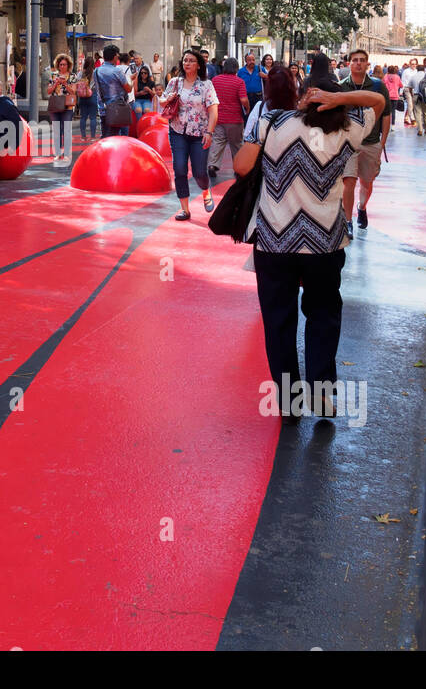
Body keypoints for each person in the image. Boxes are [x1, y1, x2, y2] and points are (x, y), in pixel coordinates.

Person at [231, 74, 387, 419]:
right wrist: (342, 99)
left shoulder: (272, 120)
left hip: (275, 242)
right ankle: (320, 392)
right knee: (324, 315)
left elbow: (241, 166)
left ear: (304, 96)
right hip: (325, 243)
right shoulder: (350, 126)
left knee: (278, 320)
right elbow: (378, 101)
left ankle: (289, 402)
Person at [158, 48, 218, 220]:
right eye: (185, 60)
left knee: (199, 172)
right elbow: (162, 101)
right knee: (180, 169)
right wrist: (167, 99)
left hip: (200, 133)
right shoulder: (175, 82)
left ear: (198, 65)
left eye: (191, 61)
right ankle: (185, 208)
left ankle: (206, 191)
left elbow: (213, 110)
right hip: (177, 131)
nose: (187, 63)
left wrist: (210, 132)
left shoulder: (206, 85)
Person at [339, 48, 391, 235]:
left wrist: (382, 143)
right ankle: (347, 221)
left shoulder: (378, 86)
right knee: (349, 182)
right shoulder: (342, 86)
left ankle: (362, 207)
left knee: (367, 183)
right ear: (349, 64)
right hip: (349, 144)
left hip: (371, 142)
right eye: (355, 60)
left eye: (362, 60)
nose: (358, 63)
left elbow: (386, 115)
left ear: (367, 64)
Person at [208, 57, 250, 179]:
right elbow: (243, 99)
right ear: (236, 68)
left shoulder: (215, 80)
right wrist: (247, 108)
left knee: (218, 141)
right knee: (236, 144)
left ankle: (212, 165)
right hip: (234, 119)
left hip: (218, 117)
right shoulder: (239, 82)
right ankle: (238, 168)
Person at [94, 45, 134, 136]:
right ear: (115, 56)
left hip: (102, 108)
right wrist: (131, 80)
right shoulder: (117, 71)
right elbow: (128, 89)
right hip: (116, 109)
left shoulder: (96, 71)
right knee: (114, 137)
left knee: (105, 135)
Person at [46, 53, 77, 163]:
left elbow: (73, 92)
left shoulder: (73, 76)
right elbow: (49, 91)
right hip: (55, 105)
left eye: (64, 64)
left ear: (68, 65)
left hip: (67, 106)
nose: (62, 67)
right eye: (60, 64)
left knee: (67, 130)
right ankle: (58, 154)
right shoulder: (53, 75)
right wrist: (55, 83)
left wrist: (65, 84)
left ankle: (67, 154)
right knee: (56, 130)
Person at [408, 58, 426, 136]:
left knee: (418, 113)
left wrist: (412, 95)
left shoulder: (413, 77)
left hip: (416, 96)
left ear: (417, 69)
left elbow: (410, 88)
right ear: (424, 69)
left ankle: (420, 130)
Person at [76, 58, 97, 140]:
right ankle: (92, 137)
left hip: (82, 97)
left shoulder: (80, 73)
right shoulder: (95, 73)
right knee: (93, 117)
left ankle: (83, 136)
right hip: (93, 95)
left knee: (83, 117)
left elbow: (77, 83)